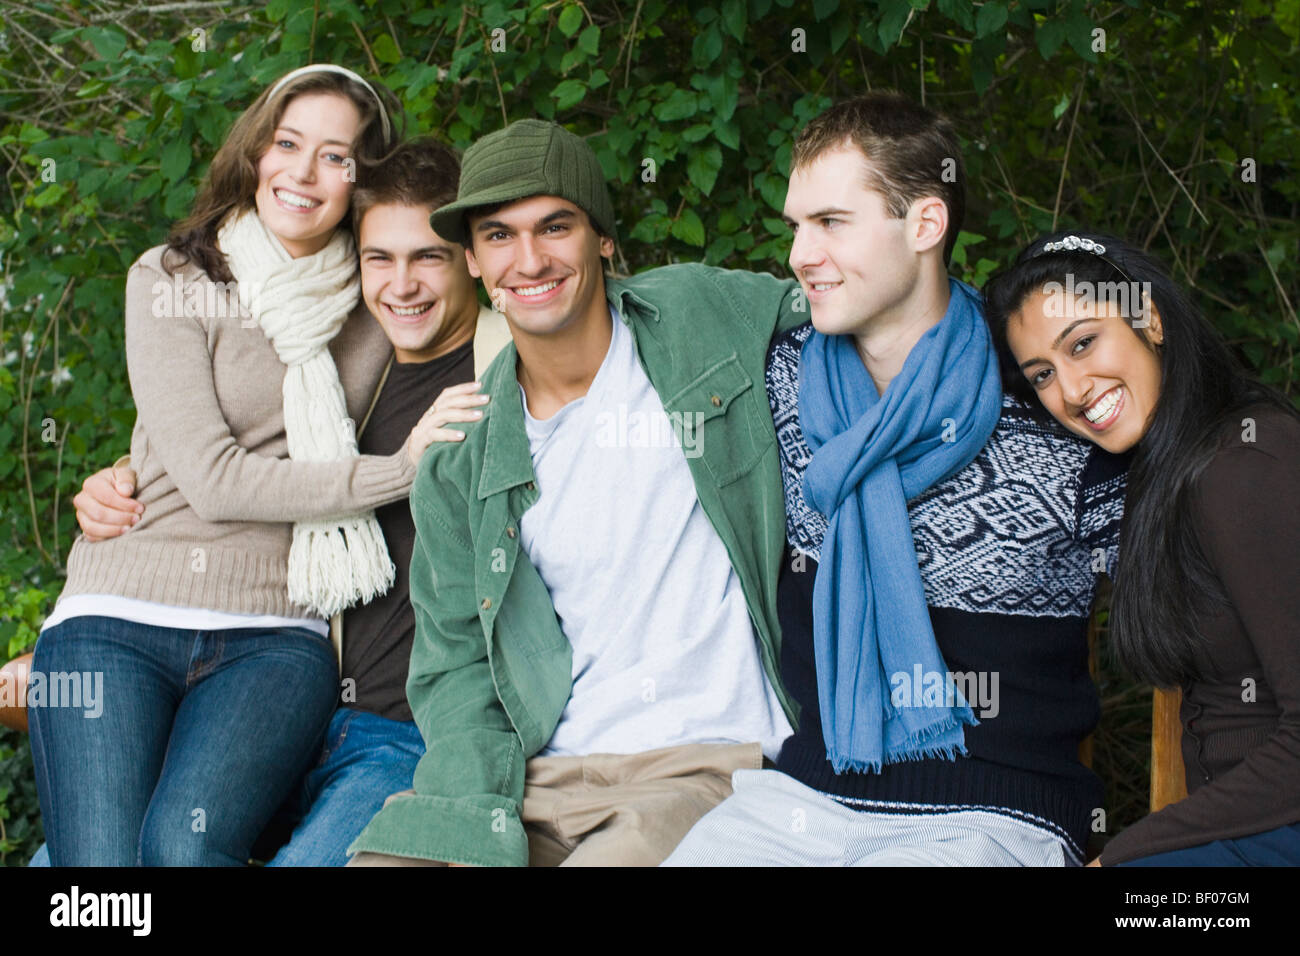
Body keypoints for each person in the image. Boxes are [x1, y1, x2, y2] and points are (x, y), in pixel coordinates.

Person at [664, 92, 1127, 867]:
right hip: (804, 796)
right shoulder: (776, 388)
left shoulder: (1049, 394)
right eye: (796, 227)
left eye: (832, 223)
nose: (799, 255)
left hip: (998, 812)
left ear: (925, 225)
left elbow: (1193, 608)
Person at [346, 118, 805, 867]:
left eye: (554, 226)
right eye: (499, 235)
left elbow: (854, 305)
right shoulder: (461, 460)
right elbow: (456, 669)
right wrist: (472, 815)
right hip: (536, 781)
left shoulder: (700, 317)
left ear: (603, 238)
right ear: (471, 259)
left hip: (702, 769)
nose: (529, 260)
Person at [27, 65, 449, 867]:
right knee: (99, 873)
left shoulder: (380, 297)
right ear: (254, 152)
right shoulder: (172, 280)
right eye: (286, 144)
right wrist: (401, 468)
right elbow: (214, 481)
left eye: (336, 156)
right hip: (118, 614)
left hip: (272, 635)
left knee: (181, 853)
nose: (302, 172)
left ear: (363, 181)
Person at [984, 230, 1300, 866]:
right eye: (1043, 374)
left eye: (1083, 343)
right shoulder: (1167, 473)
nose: (1071, 390)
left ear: (1148, 317)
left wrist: (1127, 852)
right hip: (1235, 836)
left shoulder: (1245, 462)